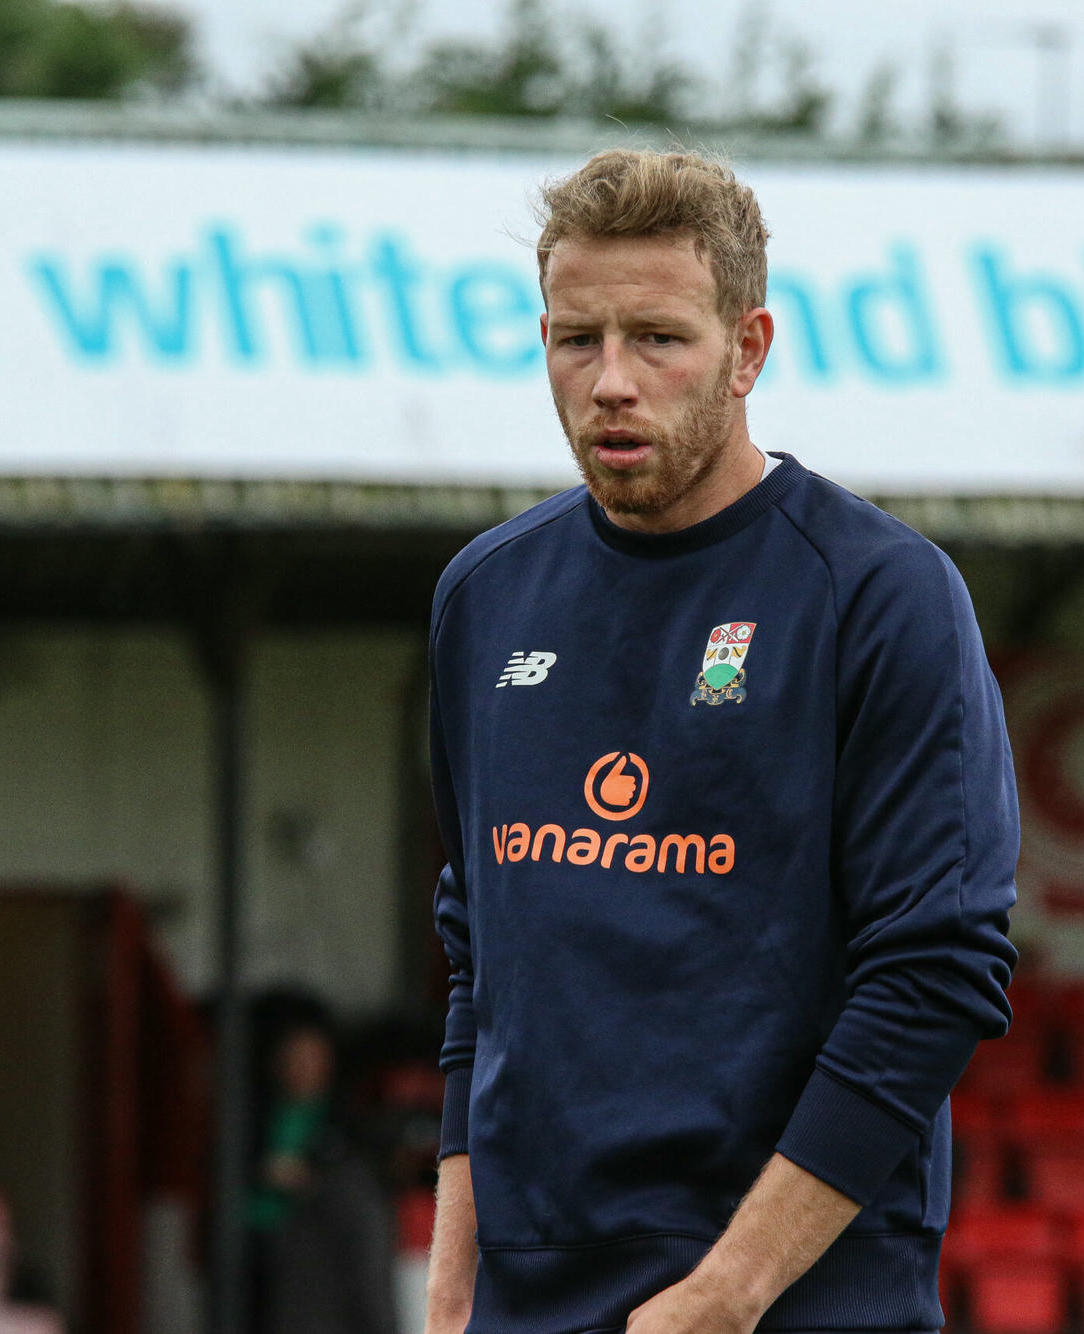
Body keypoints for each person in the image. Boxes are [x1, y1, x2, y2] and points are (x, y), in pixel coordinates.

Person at [424, 149, 1020, 1334]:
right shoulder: (484, 596)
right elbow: (478, 966)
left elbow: (934, 974)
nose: (609, 382)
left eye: (657, 338)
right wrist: (451, 1293)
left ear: (747, 348)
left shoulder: (879, 593)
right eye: (574, 340)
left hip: (793, 1300)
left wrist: (725, 1292)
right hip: (531, 1293)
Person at [247, 1018, 398, 1334]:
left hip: (312, 1264)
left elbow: (356, 1196)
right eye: (293, 1058)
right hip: (249, 1254)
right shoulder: (251, 1117)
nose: (301, 1068)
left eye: (310, 1059)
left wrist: (306, 1180)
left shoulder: (344, 1121)